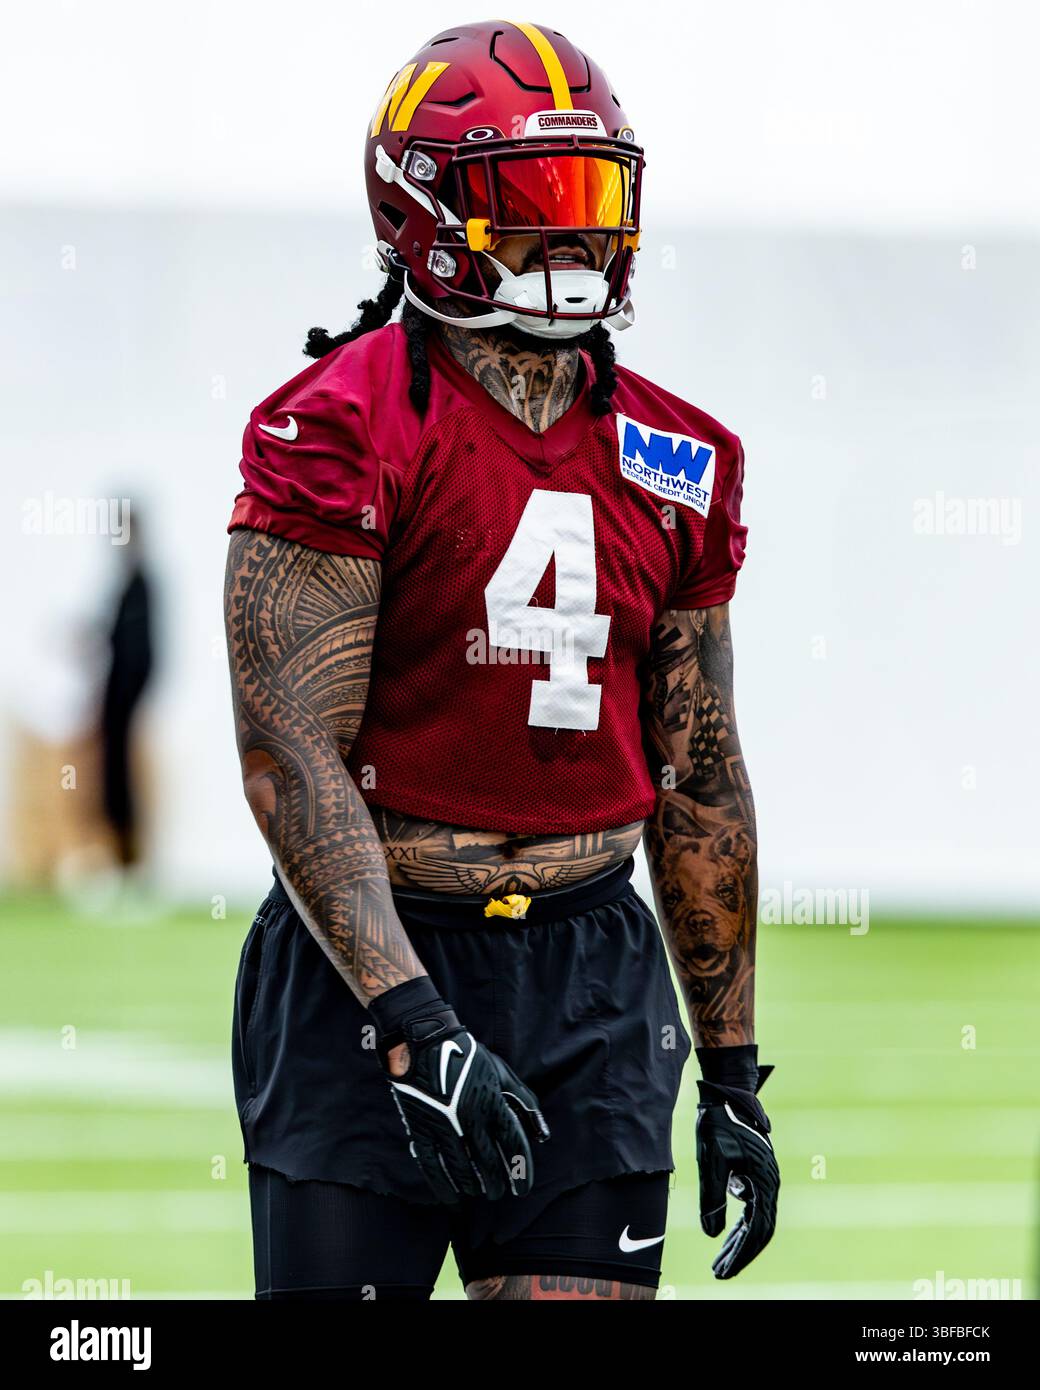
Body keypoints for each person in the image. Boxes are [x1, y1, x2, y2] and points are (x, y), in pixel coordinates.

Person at [224, 19, 778, 1302]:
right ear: (423, 210)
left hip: (590, 973)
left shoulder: (679, 456)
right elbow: (289, 758)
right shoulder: (339, 425)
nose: (574, 236)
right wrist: (411, 1022)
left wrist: (731, 1069)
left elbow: (698, 775)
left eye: (593, 195)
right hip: (370, 966)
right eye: (532, 198)